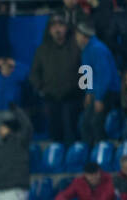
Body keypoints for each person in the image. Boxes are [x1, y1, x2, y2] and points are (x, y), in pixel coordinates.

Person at [32, 15, 82, 144]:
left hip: (73, 98)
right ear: (49, 30)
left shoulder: (77, 47)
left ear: (66, 28)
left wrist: (86, 90)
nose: (57, 29)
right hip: (51, 98)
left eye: (60, 26)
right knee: (55, 133)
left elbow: (87, 68)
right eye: (53, 27)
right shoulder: (42, 50)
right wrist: (41, 88)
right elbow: (34, 73)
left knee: (73, 133)